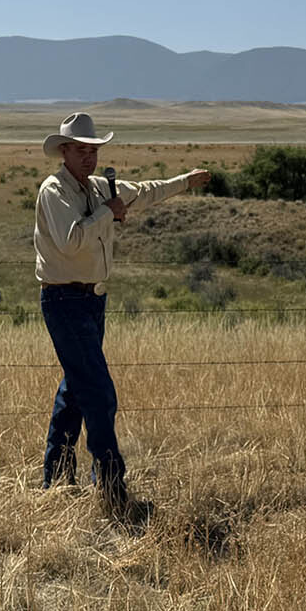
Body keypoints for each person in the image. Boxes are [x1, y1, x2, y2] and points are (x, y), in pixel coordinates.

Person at [34, 112, 210, 514]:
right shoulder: (54, 191)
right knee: (97, 392)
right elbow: (71, 241)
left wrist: (184, 181)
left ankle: (56, 481)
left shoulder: (98, 188)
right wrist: (108, 213)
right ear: (63, 151)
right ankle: (111, 488)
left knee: (76, 391)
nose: (89, 158)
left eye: (93, 151)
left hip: (91, 300)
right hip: (64, 300)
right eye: (81, 151)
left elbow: (144, 191)